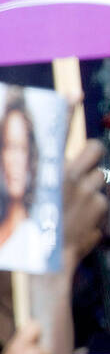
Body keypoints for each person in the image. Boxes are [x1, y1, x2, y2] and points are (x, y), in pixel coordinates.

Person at [0, 100, 43, 266]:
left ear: (31, 156)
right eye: (9, 147)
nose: (14, 161)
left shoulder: (32, 241)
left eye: (21, 148)